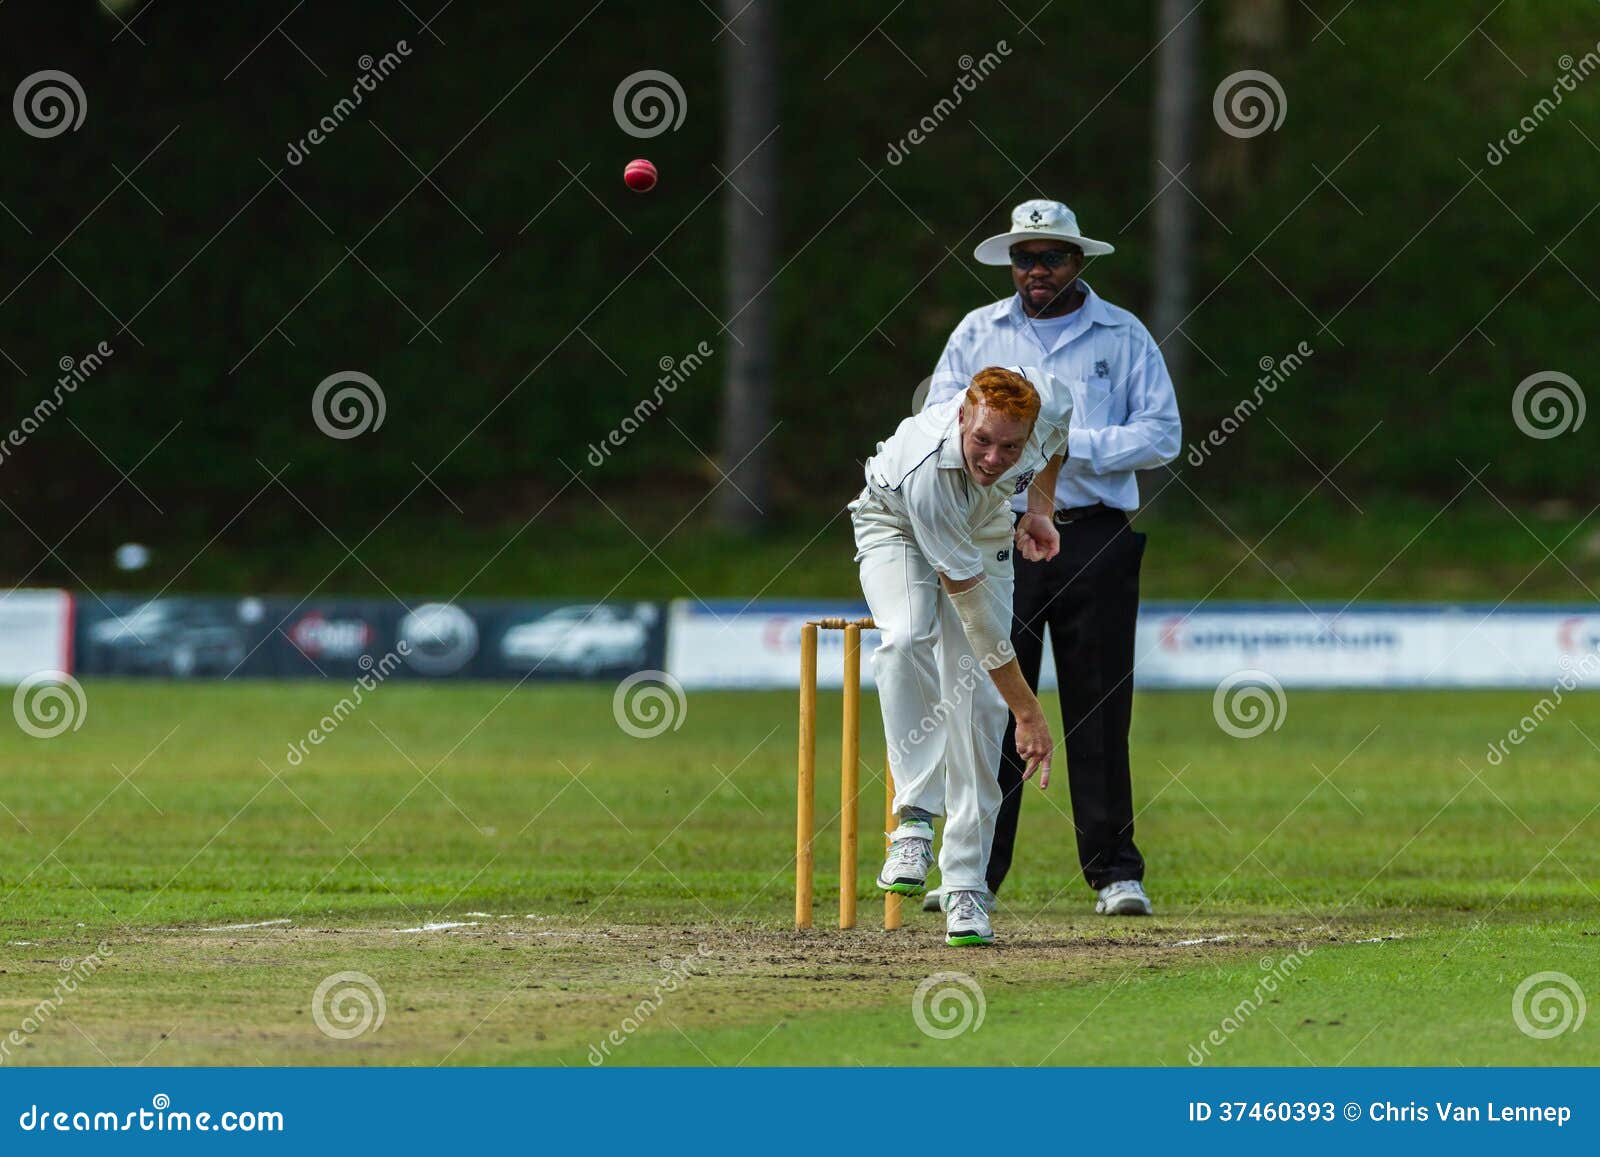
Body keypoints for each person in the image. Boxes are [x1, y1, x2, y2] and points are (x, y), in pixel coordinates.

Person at [921, 200, 1181, 917]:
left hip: (1093, 532)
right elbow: (939, 420)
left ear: (1079, 261)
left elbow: (1163, 435)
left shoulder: (1122, 335)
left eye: (1052, 258)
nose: (1037, 271)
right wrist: (1011, 459)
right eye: (1024, 258)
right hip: (997, 533)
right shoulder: (979, 332)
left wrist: (1064, 445)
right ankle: (972, 873)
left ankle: (1114, 872)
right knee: (991, 705)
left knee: (1099, 704)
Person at [852, 365, 1072, 946]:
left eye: (1010, 446)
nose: (996, 459)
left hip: (985, 528)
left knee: (979, 708)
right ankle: (915, 820)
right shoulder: (929, 465)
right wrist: (1031, 712)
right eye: (982, 441)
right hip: (897, 524)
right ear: (961, 416)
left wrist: (1041, 509)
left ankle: (966, 884)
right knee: (905, 636)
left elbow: (1057, 443)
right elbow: (972, 616)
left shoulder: (1052, 405)